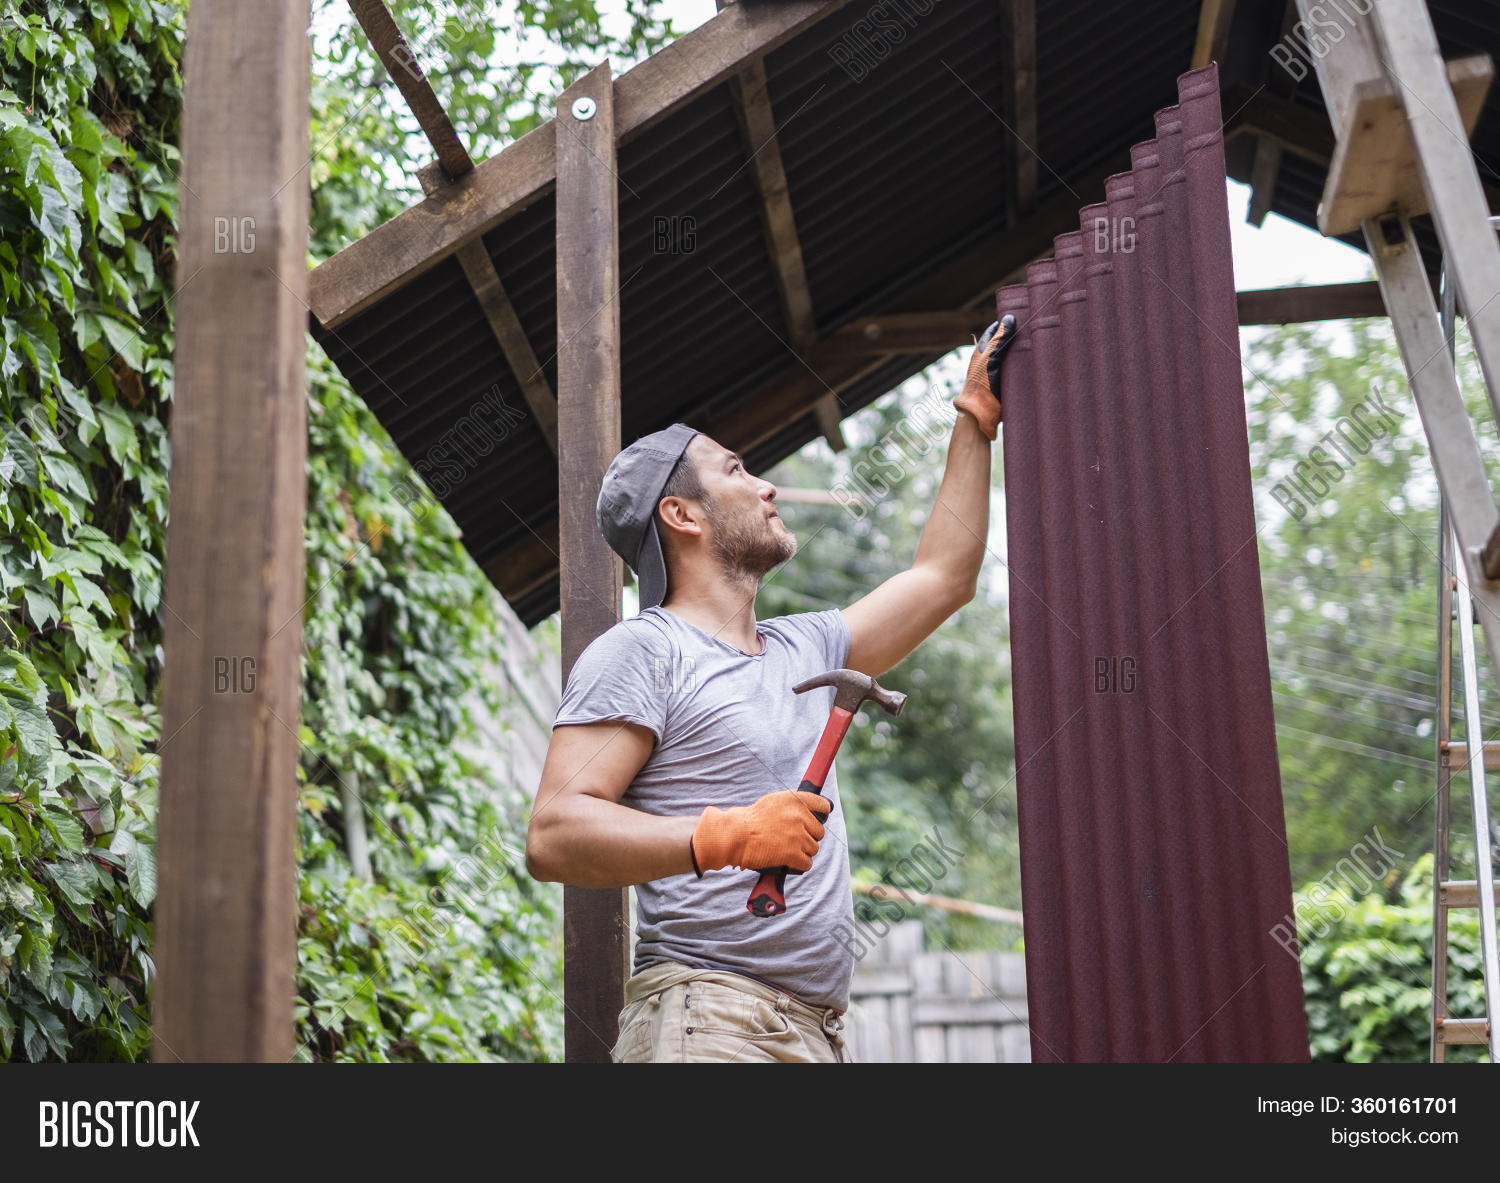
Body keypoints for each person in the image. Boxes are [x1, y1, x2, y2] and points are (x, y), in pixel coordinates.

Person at [525, 328, 1009, 1062]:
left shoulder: (806, 645)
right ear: (682, 515)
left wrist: (973, 417)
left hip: (813, 1032)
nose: (767, 485)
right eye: (736, 470)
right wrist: (729, 836)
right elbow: (554, 833)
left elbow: (943, 576)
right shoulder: (644, 650)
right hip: (711, 1021)